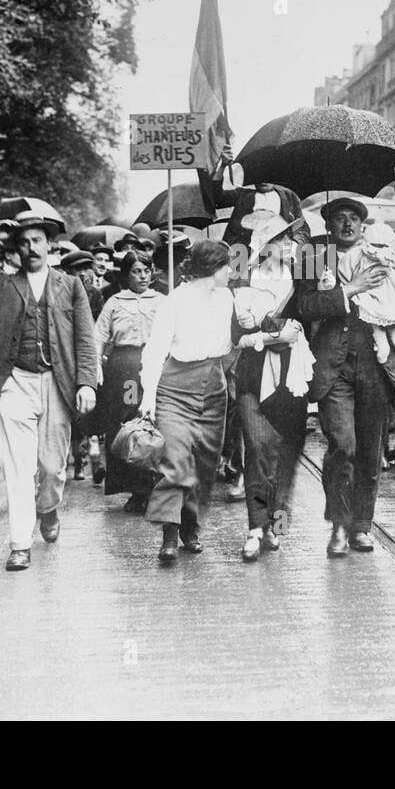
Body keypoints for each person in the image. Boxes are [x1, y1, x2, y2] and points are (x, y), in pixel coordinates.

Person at [0, 210, 98, 571]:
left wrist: (86, 382)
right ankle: (20, 544)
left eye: (38, 241)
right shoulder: (3, 284)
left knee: (51, 468)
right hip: (15, 380)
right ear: (16, 248)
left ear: (50, 245)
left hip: (57, 382)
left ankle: (48, 508)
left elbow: (84, 337)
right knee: (18, 466)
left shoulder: (70, 285)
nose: (31, 248)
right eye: (24, 242)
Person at [296, 197, 395, 557]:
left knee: (370, 450)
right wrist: (351, 288)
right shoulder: (315, 254)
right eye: (339, 218)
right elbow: (305, 305)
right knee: (343, 445)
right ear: (328, 225)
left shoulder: (380, 250)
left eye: (354, 219)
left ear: (363, 225)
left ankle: (363, 526)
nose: (347, 225)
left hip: (375, 364)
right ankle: (340, 526)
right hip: (333, 366)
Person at [139, 239, 235, 565]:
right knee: (175, 461)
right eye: (226, 265)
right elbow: (154, 350)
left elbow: (232, 340)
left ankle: (191, 527)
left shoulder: (227, 298)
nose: (231, 271)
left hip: (214, 388)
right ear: (211, 268)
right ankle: (169, 535)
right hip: (175, 388)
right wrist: (148, 397)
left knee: (203, 465)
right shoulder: (174, 301)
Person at [231, 216, 314, 561]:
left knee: (286, 456)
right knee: (257, 447)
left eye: (288, 240)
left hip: (292, 374)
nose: (286, 246)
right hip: (253, 373)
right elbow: (236, 338)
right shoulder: (244, 279)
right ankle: (254, 528)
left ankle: (276, 528)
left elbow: (317, 312)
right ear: (262, 246)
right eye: (278, 241)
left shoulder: (303, 278)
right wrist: (269, 336)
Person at [94, 250, 164, 513]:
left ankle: (155, 487)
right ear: (126, 275)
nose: (143, 276)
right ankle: (136, 489)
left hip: (155, 363)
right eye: (136, 271)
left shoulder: (162, 301)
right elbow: (98, 336)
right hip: (126, 369)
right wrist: (96, 366)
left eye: (146, 270)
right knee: (131, 421)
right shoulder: (114, 302)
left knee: (156, 422)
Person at [351, 221, 395, 363]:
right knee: (371, 311)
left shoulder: (394, 255)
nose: (347, 224)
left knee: (394, 309)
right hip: (369, 292)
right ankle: (381, 343)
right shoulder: (356, 255)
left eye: (382, 245)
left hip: (390, 291)